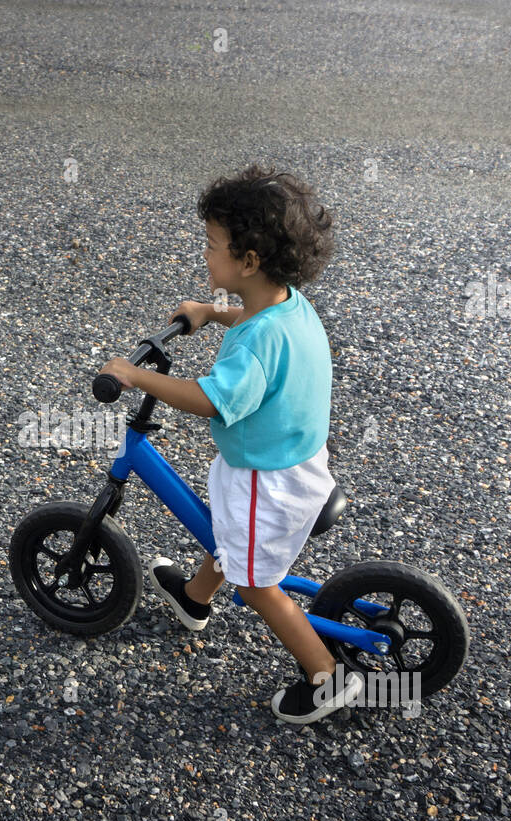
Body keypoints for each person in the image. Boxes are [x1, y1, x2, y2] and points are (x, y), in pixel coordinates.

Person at [97, 163, 362, 724]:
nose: (205, 253)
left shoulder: (256, 345)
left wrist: (137, 377)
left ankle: (326, 677)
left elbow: (213, 399)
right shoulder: (288, 305)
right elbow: (253, 319)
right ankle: (194, 597)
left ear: (248, 261)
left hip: (269, 478)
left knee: (257, 584)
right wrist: (212, 312)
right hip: (294, 459)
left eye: (212, 245)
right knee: (229, 526)